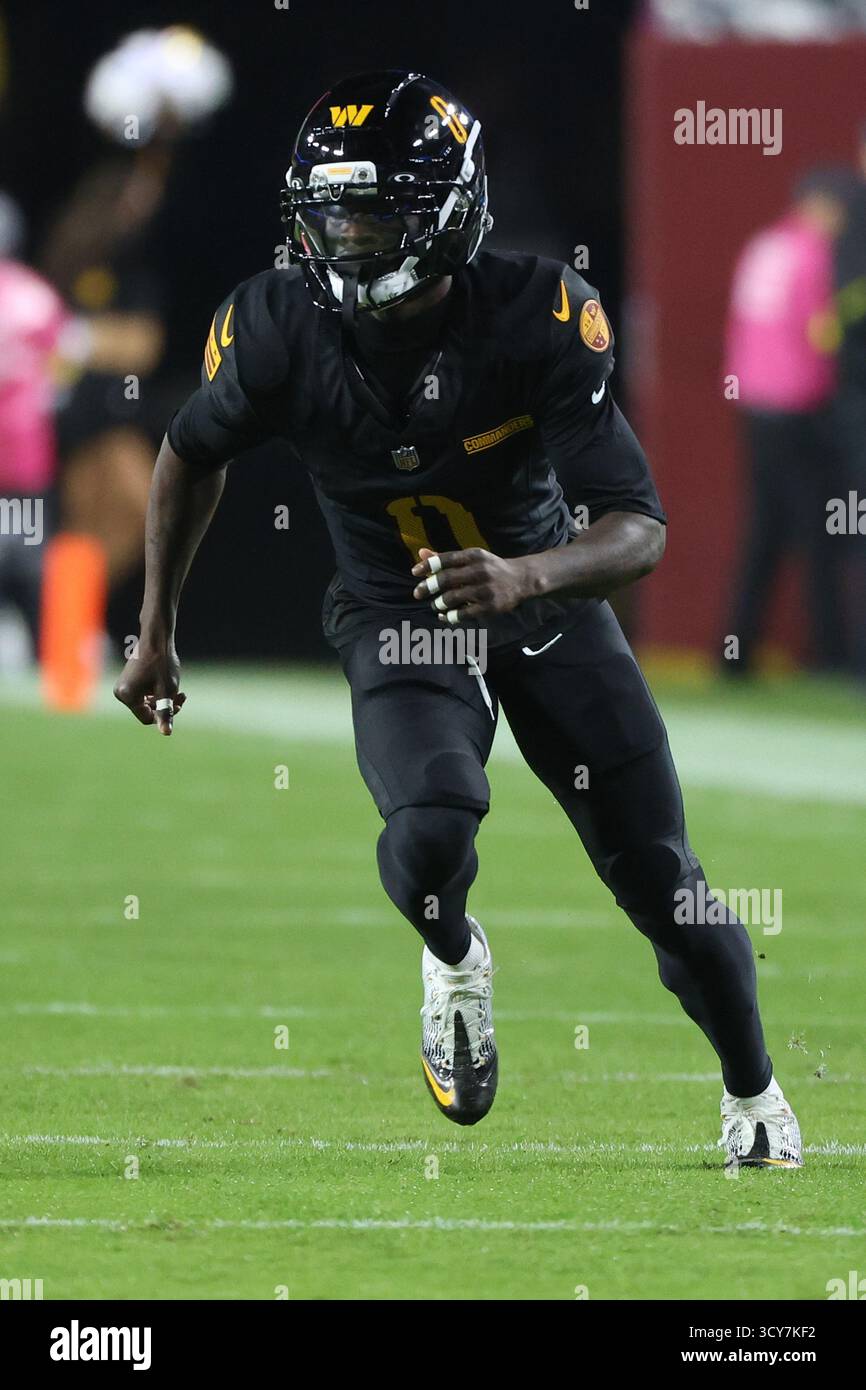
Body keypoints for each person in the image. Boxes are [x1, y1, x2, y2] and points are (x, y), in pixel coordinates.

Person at [114, 71, 802, 1168]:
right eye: (329, 211)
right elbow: (190, 451)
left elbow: (636, 526)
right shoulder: (275, 326)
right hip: (396, 607)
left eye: (373, 212)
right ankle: (452, 956)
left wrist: (526, 577)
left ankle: (754, 1095)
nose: (345, 237)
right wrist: (155, 626)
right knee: (429, 828)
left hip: (541, 603)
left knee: (664, 885)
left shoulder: (532, 313)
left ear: (445, 212)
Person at [724, 167, 857, 675]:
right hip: (801, 409)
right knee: (821, 532)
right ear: (822, 207)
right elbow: (821, 335)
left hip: (755, 406)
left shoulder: (766, 245)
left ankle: (734, 652)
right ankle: (832, 656)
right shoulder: (814, 255)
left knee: (764, 531)